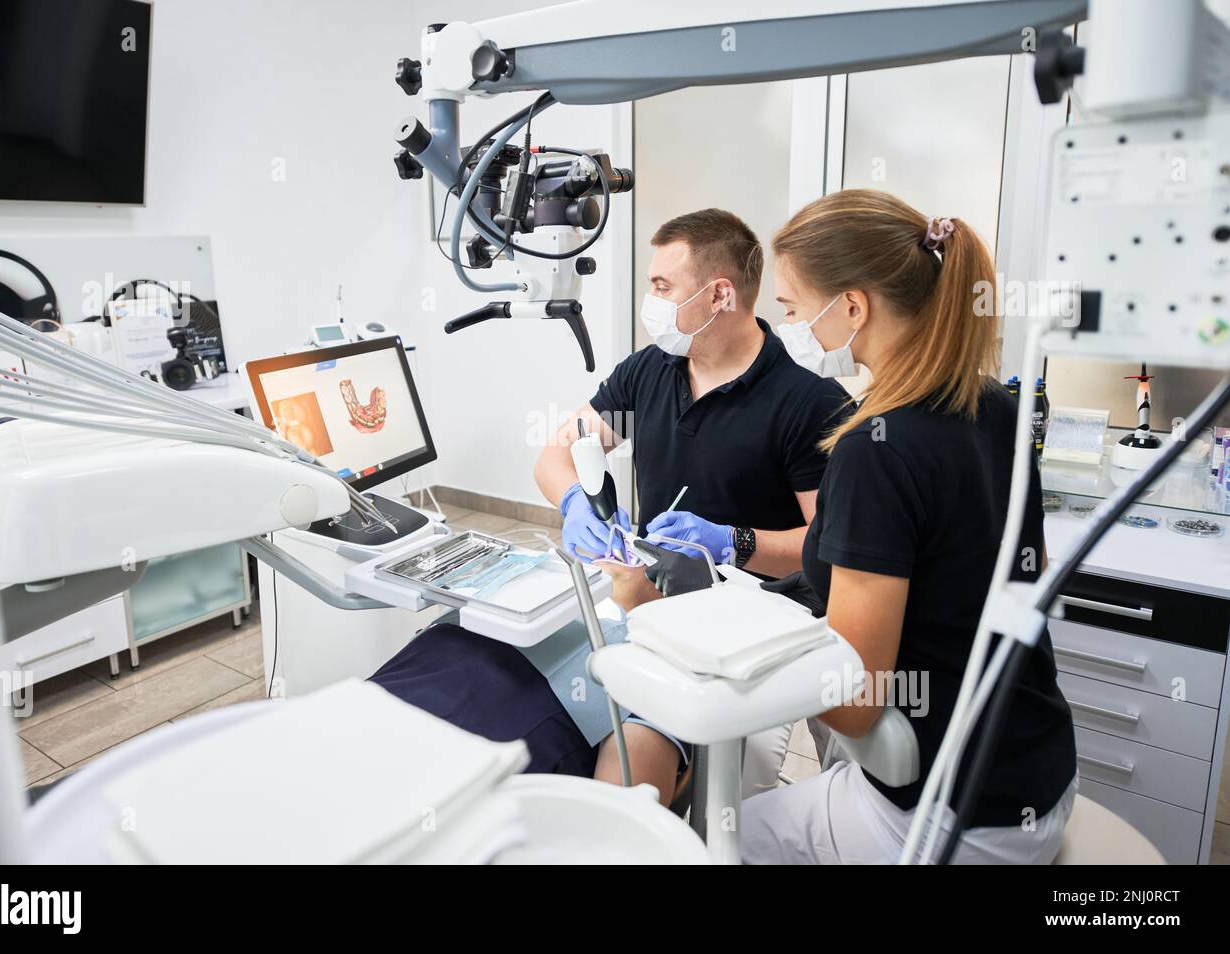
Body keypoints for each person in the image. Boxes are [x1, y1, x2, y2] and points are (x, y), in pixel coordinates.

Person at [371, 208, 850, 805]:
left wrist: (734, 541)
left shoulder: (808, 402)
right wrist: (574, 500)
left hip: (752, 614)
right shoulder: (650, 371)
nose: (650, 301)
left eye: (662, 287)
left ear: (719, 294)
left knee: (668, 743)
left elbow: (830, 549)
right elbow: (557, 451)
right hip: (646, 589)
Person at [732, 189, 1078, 864]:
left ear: (853, 307)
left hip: (950, 821)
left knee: (717, 837)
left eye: (793, 309)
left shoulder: (875, 450)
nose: (788, 328)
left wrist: (756, 661)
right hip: (1034, 773)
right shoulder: (995, 406)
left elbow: (857, 704)